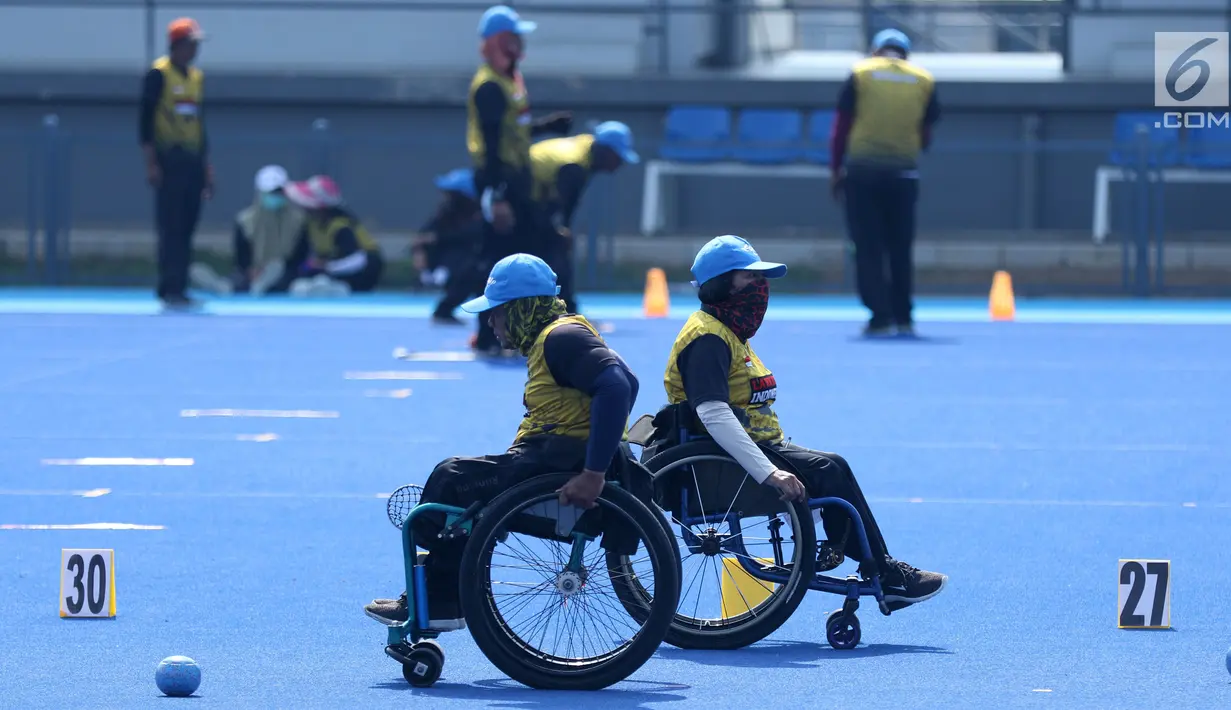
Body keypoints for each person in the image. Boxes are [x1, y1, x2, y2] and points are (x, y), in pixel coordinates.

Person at [658, 234, 947, 611]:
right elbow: (712, 413)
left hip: (758, 447)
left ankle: (862, 559)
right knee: (829, 468)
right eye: (749, 278)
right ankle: (883, 572)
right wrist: (770, 474)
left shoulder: (728, 332)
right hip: (724, 461)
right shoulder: (707, 338)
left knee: (834, 465)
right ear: (721, 284)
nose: (760, 288)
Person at [364, 253, 640, 630]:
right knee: (454, 493)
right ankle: (439, 593)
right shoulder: (558, 335)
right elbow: (627, 382)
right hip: (555, 454)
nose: (489, 321)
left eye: (496, 312)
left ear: (521, 308)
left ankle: (440, 602)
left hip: (559, 461)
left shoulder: (562, 337)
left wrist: (593, 472)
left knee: (450, 481)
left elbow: (618, 386)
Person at [466, 4, 572, 351]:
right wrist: (496, 196)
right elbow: (494, 139)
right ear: (497, 41)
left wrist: (546, 126)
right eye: (513, 37)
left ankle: (524, 328)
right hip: (500, 179)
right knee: (498, 256)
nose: (519, 43)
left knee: (532, 249)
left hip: (514, 178)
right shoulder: (490, 87)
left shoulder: (510, 79)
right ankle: (487, 334)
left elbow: (515, 129)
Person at [830, 28, 940, 337]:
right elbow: (926, 134)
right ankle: (904, 315)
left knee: (867, 248)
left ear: (876, 50)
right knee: (900, 248)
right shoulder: (923, 80)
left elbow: (841, 128)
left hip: (862, 174)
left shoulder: (860, 74)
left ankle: (879, 317)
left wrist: (836, 169)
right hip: (903, 174)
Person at [139, 17, 214, 309]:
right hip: (169, 157)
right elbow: (145, 120)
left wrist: (207, 166)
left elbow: (200, 123)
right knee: (170, 225)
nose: (194, 51)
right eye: (190, 44)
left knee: (187, 225)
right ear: (177, 45)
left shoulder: (196, 78)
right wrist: (151, 162)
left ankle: (180, 287)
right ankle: (169, 287)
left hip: (193, 159)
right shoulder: (158, 74)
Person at [529, 121, 640, 314]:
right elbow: (563, 202)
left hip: (531, 198)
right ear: (605, 151)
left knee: (555, 255)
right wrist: (560, 229)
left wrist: (562, 228)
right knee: (555, 259)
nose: (619, 165)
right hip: (521, 199)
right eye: (618, 157)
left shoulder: (584, 150)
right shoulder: (575, 166)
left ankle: (564, 311)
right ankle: (565, 313)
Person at [188, 165, 304, 296]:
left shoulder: (298, 221)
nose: (276, 196)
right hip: (250, 273)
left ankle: (261, 285)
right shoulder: (245, 220)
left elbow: (299, 256)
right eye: (271, 193)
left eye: (279, 192)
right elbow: (241, 257)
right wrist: (251, 271)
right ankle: (226, 287)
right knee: (236, 281)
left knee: (281, 274)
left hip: (284, 272)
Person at [277, 175, 384, 295]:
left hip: (363, 270)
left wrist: (327, 267)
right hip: (335, 266)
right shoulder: (311, 223)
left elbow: (357, 260)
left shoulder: (341, 226)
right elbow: (299, 255)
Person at [412, 168, 486, 325]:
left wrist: (438, 239)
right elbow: (424, 236)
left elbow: (468, 235)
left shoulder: (481, 217)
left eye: (453, 194)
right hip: (442, 263)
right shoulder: (445, 212)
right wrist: (419, 250)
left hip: (466, 264)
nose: (448, 198)